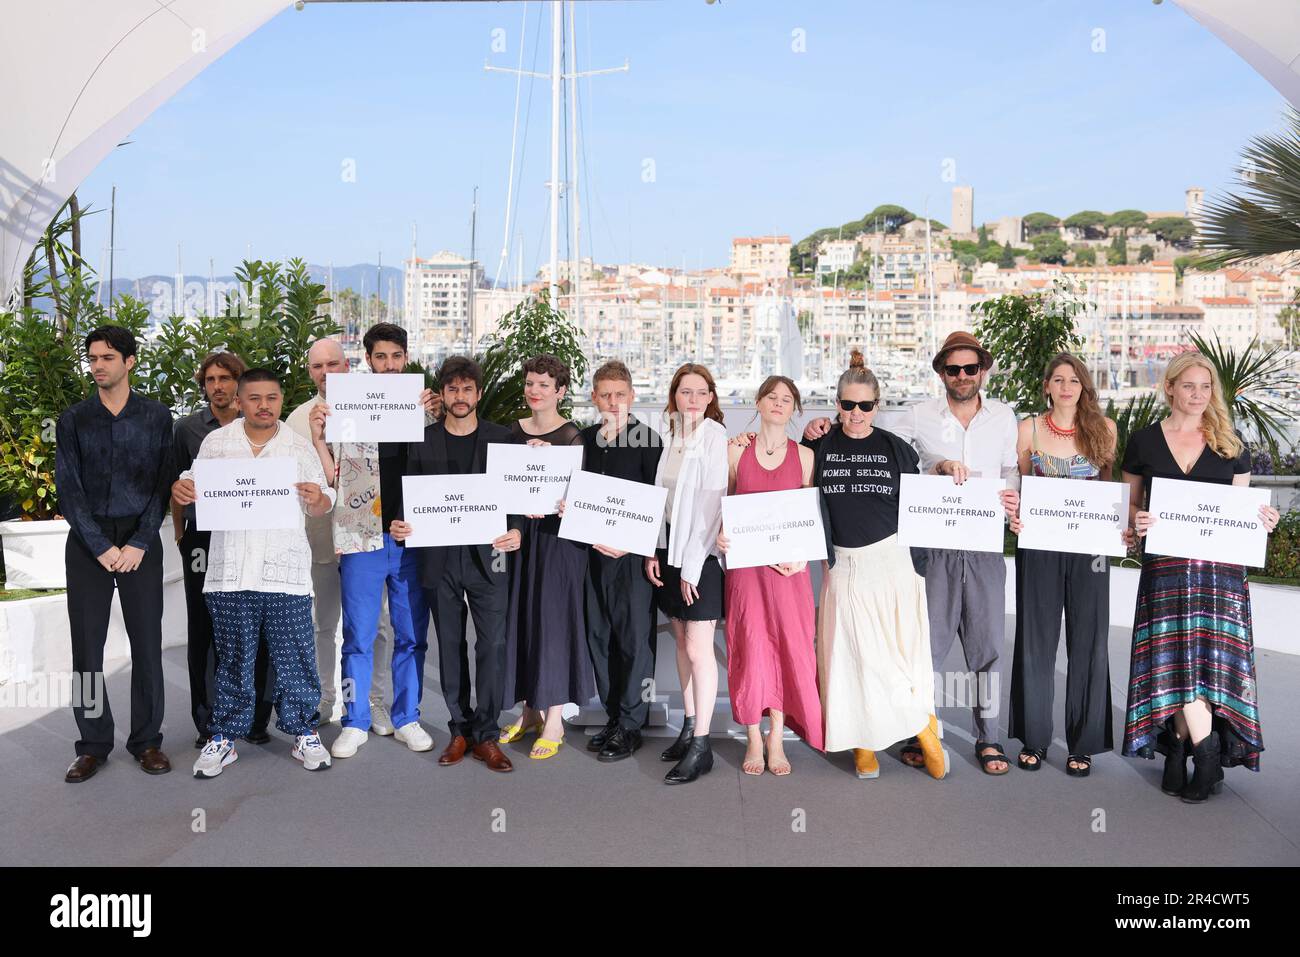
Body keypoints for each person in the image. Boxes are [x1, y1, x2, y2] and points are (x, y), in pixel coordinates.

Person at [804, 331, 1019, 775]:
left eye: (970, 368)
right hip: (902, 553)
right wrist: (813, 429)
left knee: (984, 649)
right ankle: (903, 732)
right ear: (941, 372)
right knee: (909, 651)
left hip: (967, 548)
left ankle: (984, 737)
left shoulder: (1002, 417)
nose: (962, 375)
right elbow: (842, 447)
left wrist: (1012, 500)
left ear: (983, 370)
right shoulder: (915, 417)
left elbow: (1008, 472)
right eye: (953, 368)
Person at [1122, 351, 1280, 803]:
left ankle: (1196, 756)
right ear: (1170, 387)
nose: (1198, 394)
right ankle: (1188, 752)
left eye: (1206, 387)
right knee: (1173, 659)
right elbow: (1131, 507)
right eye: (1189, 385)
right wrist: (1139, 520)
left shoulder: (1230, 443)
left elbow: (1242, 512)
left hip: (1219, 577)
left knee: (1206, 661)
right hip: (1166, 571)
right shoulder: (1143, 442)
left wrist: (1262, 519)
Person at [175, 368, 335, 777]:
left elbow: (323, 500)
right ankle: (224, 737)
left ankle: (303, 732)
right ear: (240, 402)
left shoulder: (298, 448)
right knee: (232, 661)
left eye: (272, 398)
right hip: (230, 574)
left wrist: (320, 497)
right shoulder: (217, 443)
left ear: (281, 400)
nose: (264, 406)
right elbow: (191, 480)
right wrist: (183, 488)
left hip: (286, 574)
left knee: (295, 658)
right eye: (255, 398)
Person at [801, 353, 946, 780]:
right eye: (848, 405)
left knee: (901, 656)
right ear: (837, 404)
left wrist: (946, 469)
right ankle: (902, 731)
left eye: (865, 406)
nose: (856, 414)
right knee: (856, 658)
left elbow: (923, 497)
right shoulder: (819, 445)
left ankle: (909, 730)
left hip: (895, 561)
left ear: (877, 406)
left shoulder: (896, 448)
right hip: (845, 564)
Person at [391, 355, 523, 773]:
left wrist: (518, 528)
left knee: (493, 646)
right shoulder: (421, 439)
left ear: (478, 394)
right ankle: (459, 728)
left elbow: (521, 493)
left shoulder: (505, 440)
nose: (460, 396)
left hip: (491, 558)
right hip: (438, 559)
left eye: (467, 389)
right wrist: (400, 524)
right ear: (443, 394)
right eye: (452, 389)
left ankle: (486, 734)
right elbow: (406, 499)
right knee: (449, 645)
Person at [314, 323, 438, 759]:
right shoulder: (345, 403)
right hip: (359, 534)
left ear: (406, 358)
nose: (389, 364)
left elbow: (441, 468)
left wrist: (435, 414)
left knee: (410, 634)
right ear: (368, 359)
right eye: (381, 356)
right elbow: (329, 475)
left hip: (411, 537)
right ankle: (355, 720)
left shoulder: (424, 407)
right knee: (359, 636)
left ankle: (407, 717)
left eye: (396, 356)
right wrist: (318, 434)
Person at [56, 326, 174, 783]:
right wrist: (101, 546)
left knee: (147, 645)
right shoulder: (73, 420)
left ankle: (147, 741)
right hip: (89, 545)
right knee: (87, 650)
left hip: (141, 541)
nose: (97, 365)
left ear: (129, 362)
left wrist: (139, 542)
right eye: (92, 358)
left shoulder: (156, 417)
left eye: (107, 357)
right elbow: (69, 490)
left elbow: (162, 485)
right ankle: (91, 745)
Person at [1007, 353, 1119, 777]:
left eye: (1074, 379)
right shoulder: (1028, 429)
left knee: (1089, 642)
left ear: (1083, 386)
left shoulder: (1103, 429)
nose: (1066, 386)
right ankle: (1034, 739)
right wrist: (1014, 514)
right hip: (1039, 548)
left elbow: (1109, 490)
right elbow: (1017, 485)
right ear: (1047, 386)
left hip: (1090, 550)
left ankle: (1083, 743)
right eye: (1058, 379)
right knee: (1036, 641)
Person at [716, 375, 822, 776]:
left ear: (794, 409)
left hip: (788, 571)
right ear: (758, 404)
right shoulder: (734, 452)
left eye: (787, 399)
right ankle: (753, 737)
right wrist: (721, 534)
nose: (779, 404)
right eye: (772, 397)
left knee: (788, 647)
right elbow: (721, 506)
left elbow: (809, 518)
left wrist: (801, 557)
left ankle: (777, 736)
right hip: (746, 571)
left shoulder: (806, 456)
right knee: (750, 646)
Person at [285, 337, 389, 727]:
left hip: (366, 538)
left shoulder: (374, 407)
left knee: (376, 626)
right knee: (323, 624)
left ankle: (373, 700)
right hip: (321, 538)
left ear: (348, 365)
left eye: (333, 364)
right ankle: (327, 700)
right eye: (317, 367)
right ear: (309, 371)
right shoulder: (297, 419)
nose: (326, 373)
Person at [171, 351, 273, 749]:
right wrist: (182, 534)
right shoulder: (187, 429)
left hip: (255, 536)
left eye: (225, 378)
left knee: (259, 624)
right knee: (204, 627)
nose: (218, 386)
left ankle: (256, 718)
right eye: (210, 379)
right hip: (204, 538)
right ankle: (209, 720)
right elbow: (176, 486)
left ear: (240, 382)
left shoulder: (265, 425)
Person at [499, 355, 594, 759]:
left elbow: (581, 497)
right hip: (521, 539)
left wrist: (555, 488)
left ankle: (554, 716)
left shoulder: (572, 438)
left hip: (558, 542)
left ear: (560, 391)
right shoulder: (509, 434)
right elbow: (499, 487)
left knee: (553, 623)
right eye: (530, 383)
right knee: (521, 619)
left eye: (543, 385)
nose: (534, 391)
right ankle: (529, 710)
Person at [574, 360, 663, 762]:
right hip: (592, 554)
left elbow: (659, 503)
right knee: (599, 636)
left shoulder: (649, 441)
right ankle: (614, 716)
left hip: (632, 558)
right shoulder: (584, 441)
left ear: (632, 397)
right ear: (594, 398)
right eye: (605, 395)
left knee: (634, 640)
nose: (613, 402)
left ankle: (631, 723)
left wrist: (635, 545)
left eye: (620, 395)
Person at [647, 363, 728, 785]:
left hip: (702, 560)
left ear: (710, 398)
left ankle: (702, 744)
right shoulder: (673, 438)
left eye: (699, 393)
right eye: (684, 392)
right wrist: (654, 550)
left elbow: (711, 508)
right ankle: (688, 724)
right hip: (671, 553)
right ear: (674, 396)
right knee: (680, 642)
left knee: (699, 648)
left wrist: (692, 567)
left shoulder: (714, 438)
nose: (692, 399)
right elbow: (663, 500)